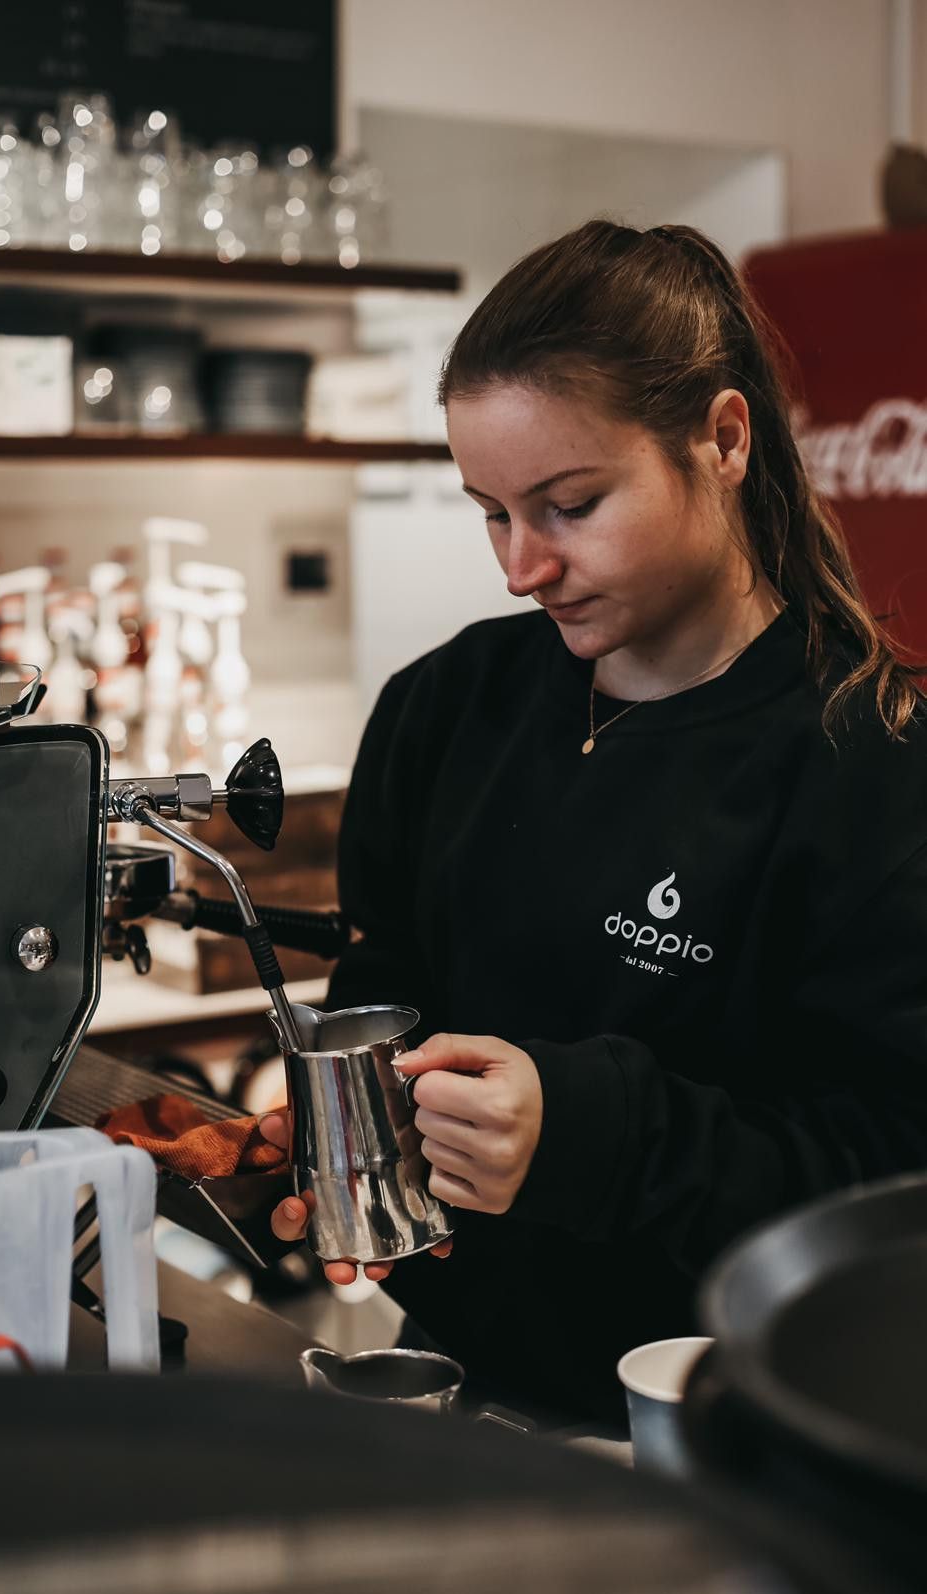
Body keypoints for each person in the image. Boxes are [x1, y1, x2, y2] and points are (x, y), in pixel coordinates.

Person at [262, 220, 927, 1421]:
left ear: (723, 440)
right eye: (490, 512)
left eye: (568, 505)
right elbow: (387, 981)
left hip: (734, 1421)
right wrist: (353, 1138)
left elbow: (889, 1181)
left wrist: (589, 1133)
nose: (521, 567)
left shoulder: (871, 760)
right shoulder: (443, 704)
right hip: (458, 1388)